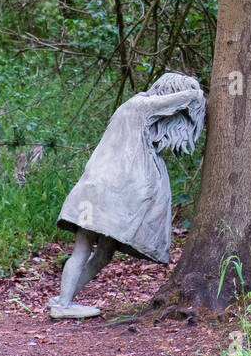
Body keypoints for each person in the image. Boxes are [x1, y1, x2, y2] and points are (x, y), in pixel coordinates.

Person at [50, 72, 205, 319]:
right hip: (102, 190)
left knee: (104, 253)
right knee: (82, 248)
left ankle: (64, 300)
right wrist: (198, 93)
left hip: (107, 193)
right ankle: (63, 305)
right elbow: (187, 97)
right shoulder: (139, 106)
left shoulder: (141, 119)